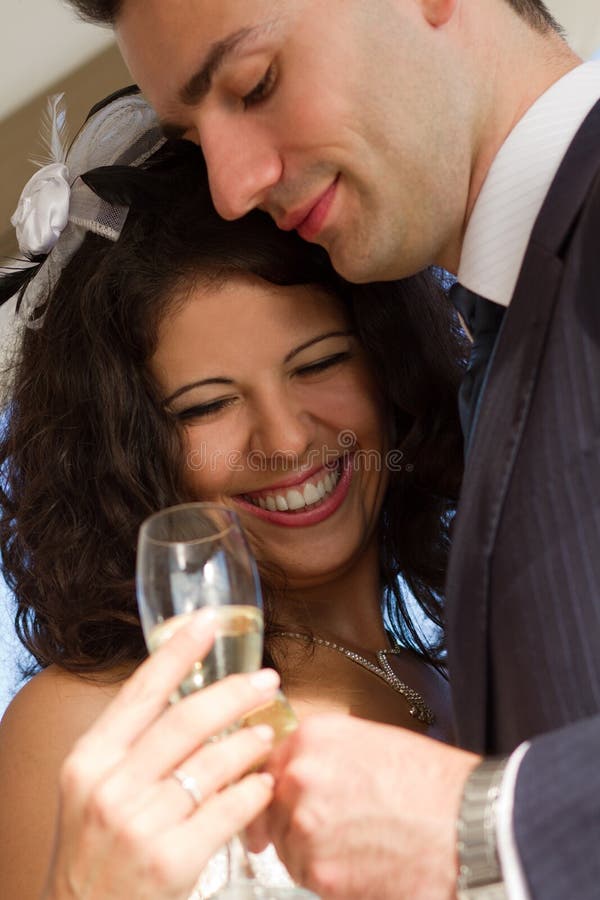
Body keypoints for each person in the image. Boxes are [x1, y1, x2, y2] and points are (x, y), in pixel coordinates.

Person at [63, 1, 600, 898]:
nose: (232, 190)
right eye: (195, 140)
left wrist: (486, 827)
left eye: (254, 83)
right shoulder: (502, 347)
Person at [0, 90, 464, 899]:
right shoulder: (90, 730)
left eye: (318, 363)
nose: (285, 440)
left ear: (389, 364)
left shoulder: (464, 667)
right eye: (207, 406)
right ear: (128, 451)